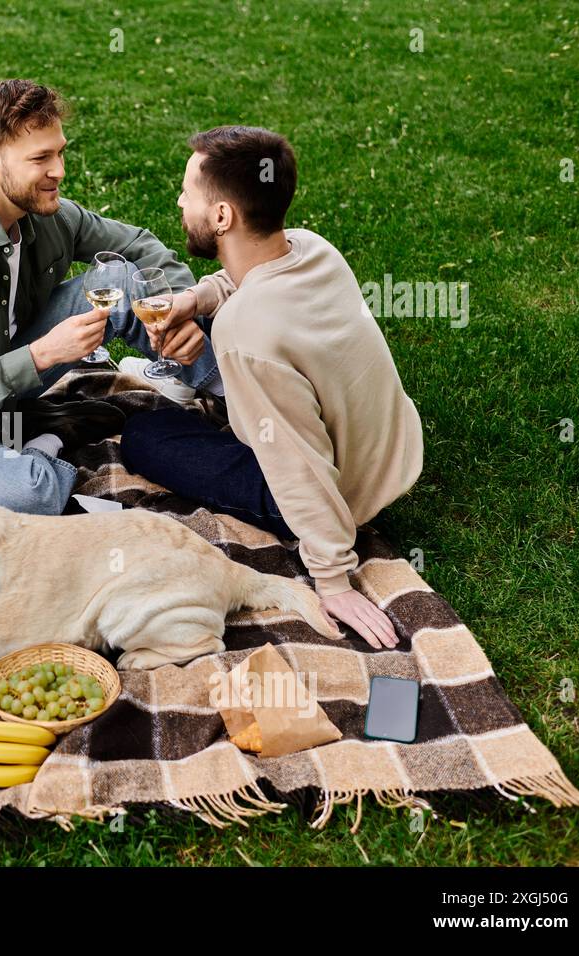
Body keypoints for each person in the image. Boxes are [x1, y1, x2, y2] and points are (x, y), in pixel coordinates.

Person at [120, 125, 423, 649]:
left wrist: (332, 579)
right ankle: (216, 399)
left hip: (340, 489)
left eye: (188, 191)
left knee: (144, 435)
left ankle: (195, 406)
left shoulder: (247, 333)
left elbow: (297, 463)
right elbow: (240, 281)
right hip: (391, 449)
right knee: (227, 361)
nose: (179, 200)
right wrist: (195, 299)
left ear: (221, 216)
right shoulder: (310, 248)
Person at [0, 78, 224, 515]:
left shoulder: (44, 213)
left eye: (60, 151)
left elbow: (139, 247)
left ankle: (232, 390)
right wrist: (42, 355)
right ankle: (42, 439)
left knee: (123, 282)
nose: (60, 170)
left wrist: (179, 308)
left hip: (5, 378)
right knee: (31, 494)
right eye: (41, 158)